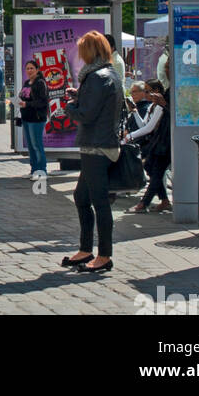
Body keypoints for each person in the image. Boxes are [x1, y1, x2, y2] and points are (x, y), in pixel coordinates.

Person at [60, 30, 121, 274]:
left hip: (97, 146)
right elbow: (99, 103)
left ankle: (104, 255)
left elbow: (87, 114)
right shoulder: (109, 73)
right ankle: (86, 249)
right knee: (82, 197)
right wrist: (80, 96)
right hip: (101, 143)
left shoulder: (96, 77)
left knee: (98, 201)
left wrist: (70, 107)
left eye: (82, 50)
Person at [128, 82, 172, 213]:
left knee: (156, 170)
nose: (146, 94)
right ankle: (163, 200)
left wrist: (129, 136)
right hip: (159, 142)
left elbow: (149, 128)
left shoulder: (159, 106)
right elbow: (144, 126)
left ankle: (144, 203)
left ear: (157, 91)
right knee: (152, 169)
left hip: (163, 142)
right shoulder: (153, 106)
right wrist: (135, 112)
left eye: (148, 91)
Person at [18, 58, 49, 176]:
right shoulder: (26, 83)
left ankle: (42, 170)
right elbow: (23, 96)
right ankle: (34, 169)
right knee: (30, 146)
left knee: (37, 144)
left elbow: (42, 102)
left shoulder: (40, 83)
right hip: (26, 118)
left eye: (32, 68)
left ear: (37, 70)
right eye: (27, 68)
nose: (29, 70)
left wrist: (28, 104)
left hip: (36, 119)